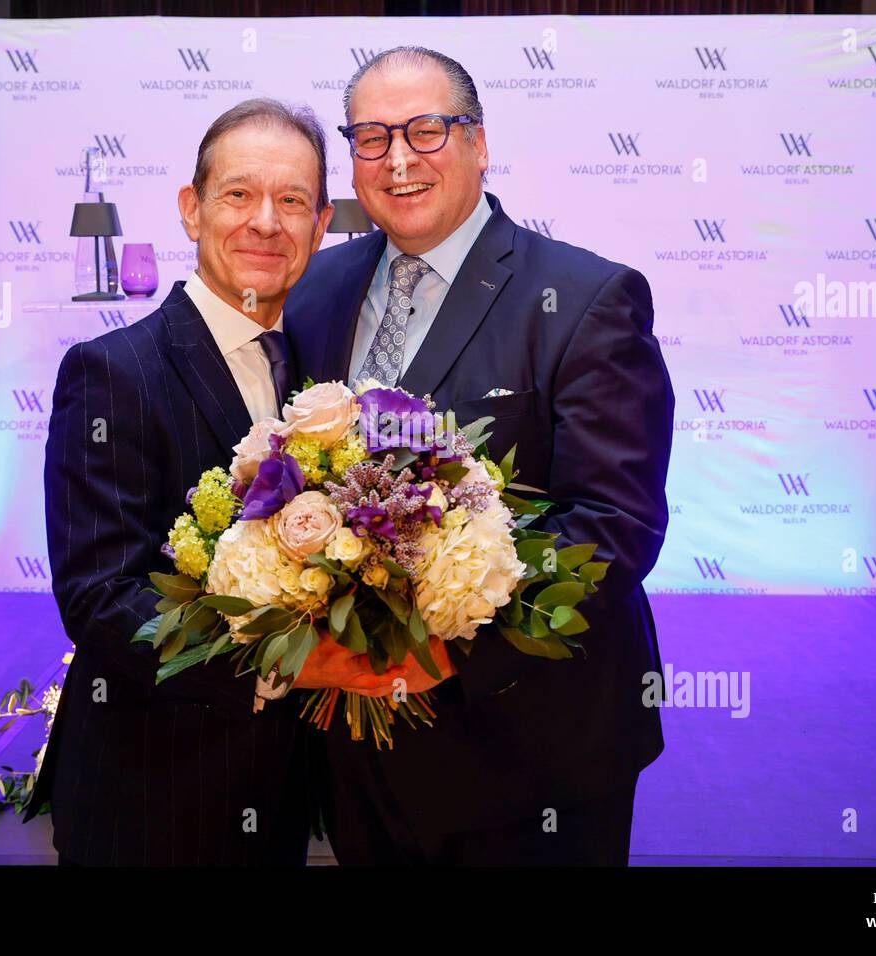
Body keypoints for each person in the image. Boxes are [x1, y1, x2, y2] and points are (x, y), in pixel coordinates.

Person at [284, 46, 676, 865]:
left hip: (533, 750)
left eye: (426, 130)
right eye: (370, 138)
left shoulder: (586, 297)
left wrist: (436, 651)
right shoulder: (316, 290)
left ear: (479, 142)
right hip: (361, 753)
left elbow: (615, 525)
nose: (398, 160)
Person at [29, 98, 372, 865]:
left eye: (293, 202)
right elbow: (101, 597)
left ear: (321, 229)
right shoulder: (114, 373)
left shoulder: (325, 380)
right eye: (239, 195)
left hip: (283, 792)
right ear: (192, 210)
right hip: (153, 798)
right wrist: (290, 661)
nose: (265, 222)